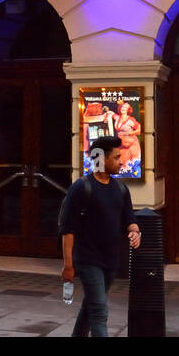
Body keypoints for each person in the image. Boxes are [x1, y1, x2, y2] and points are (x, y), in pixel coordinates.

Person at [59, 135, 141, 337]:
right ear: (101, 159)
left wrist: (135, 232)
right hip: (88, 260)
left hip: (111, 261)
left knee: (91, 306)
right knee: (99, 311)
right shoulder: (81, 188)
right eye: (116, 157)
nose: (121, 161)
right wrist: (68, 266)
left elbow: (129, 219)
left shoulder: (121, 189)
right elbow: (68, 230)